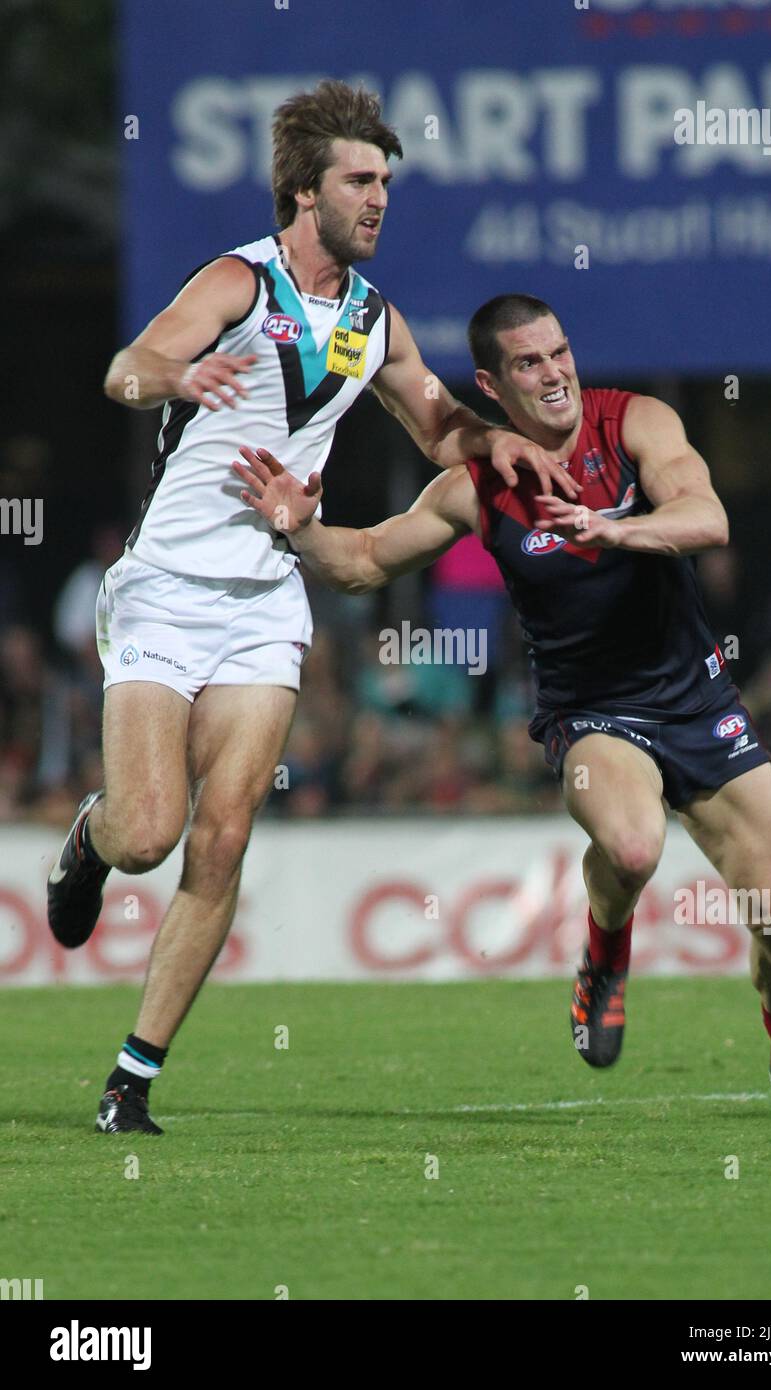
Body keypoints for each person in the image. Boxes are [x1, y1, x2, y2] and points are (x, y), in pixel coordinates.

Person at [46, 84, 575, 1137]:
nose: (378, 199)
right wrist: (172, 375)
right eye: (359, 181)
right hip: (165, 590)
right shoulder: (239, 280)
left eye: (385, 181)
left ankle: (131, 1079)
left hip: (263, 603)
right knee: (153, 830)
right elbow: (127, 367)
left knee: (227, 831)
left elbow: (437, 425)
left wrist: (500, 442)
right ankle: (90, 846)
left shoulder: (375, 320)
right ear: (304, 192)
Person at [232, 293, 771, 1121]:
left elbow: (708, 518)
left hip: (700, 704)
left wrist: (619, 531)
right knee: (632, 849)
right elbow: (369, 558)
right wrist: (301, 530)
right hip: (591, 713)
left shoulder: (635, 423)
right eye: (529, 363)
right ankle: (605, 949)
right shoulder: (476, 486)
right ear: (491, 385)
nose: (554, 372)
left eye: (559, 351)